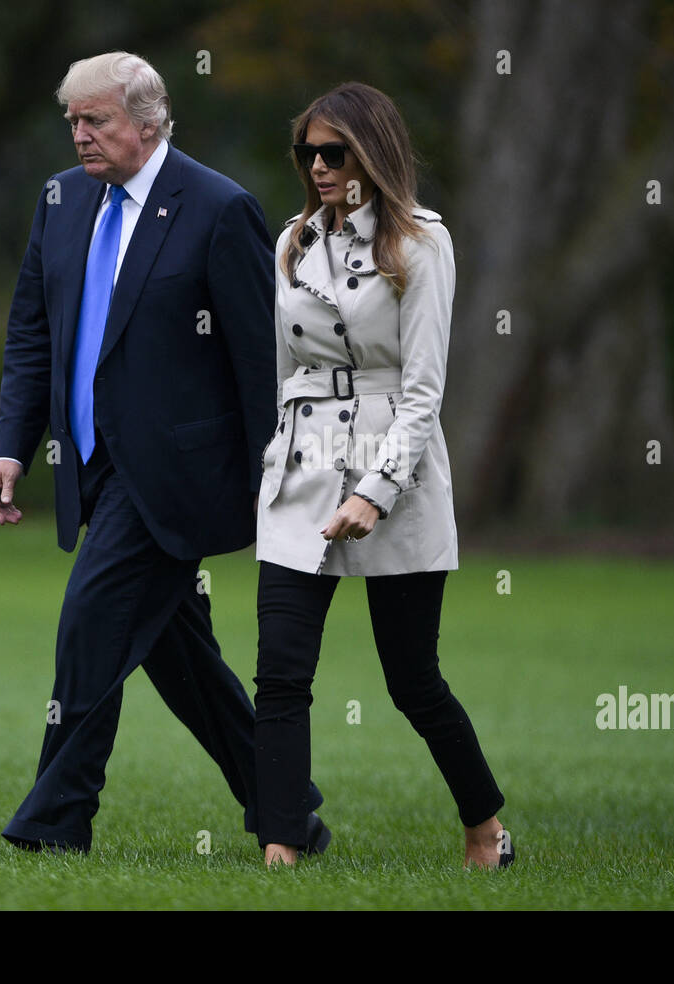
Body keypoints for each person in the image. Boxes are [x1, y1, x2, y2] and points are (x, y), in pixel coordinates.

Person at [0, 51, 329, 855]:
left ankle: (55, 820)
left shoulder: (217, 207)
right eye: (71, 119)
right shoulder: (62, 199)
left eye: (94, 120)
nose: (78, 135)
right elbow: (32, 332)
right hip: (89, 470)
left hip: (178, 476)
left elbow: (260, 362)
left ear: (148, 121)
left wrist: (271, 481)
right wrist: (13, 448)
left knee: (90, 623)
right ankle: (285, 804)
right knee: (177, 654)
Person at [252, 82, 512, 868]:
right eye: (309, 153)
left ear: (375, 151)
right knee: (280, 678)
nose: (320, 167)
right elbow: (284, 370)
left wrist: (376, 490)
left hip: (392, 463)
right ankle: (280, 848)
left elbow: (425, 392)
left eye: (336, 152)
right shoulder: (291, 242)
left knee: (412, 680)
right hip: (301, 466)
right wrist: (272, 463)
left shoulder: (422, 242)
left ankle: (484, 828)